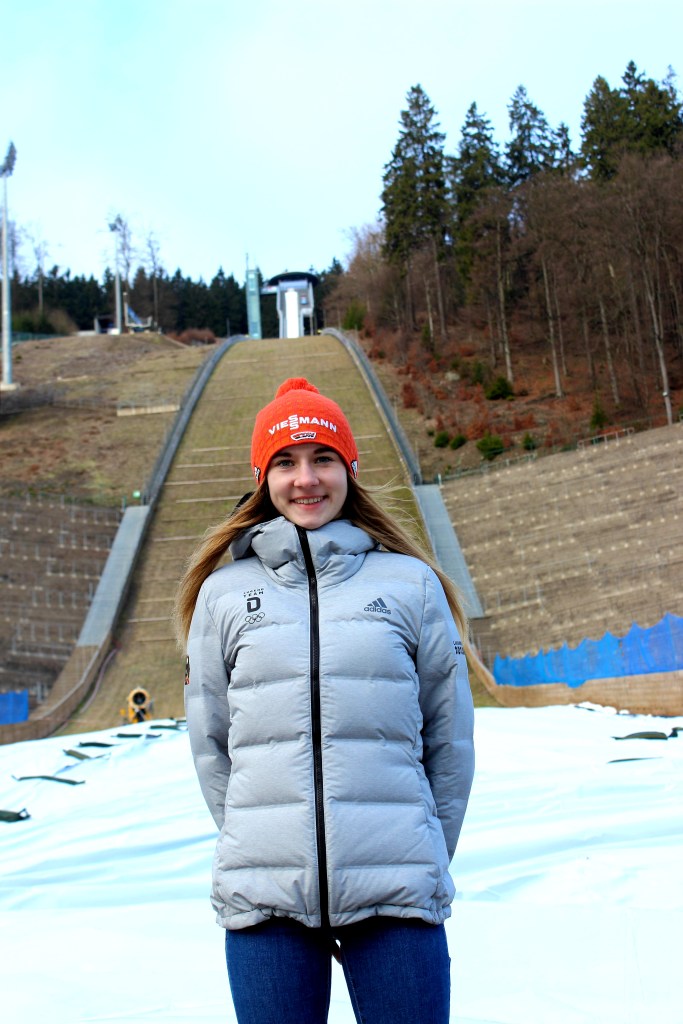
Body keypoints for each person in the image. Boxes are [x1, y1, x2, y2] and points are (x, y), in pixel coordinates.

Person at [175, 377, 476, 1024]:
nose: (305, 479)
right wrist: (257, 840)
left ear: (349, 468)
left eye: (322, 458)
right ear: (262, 477)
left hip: (394, 887)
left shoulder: (410, 585)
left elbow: (449, 741)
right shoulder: (224, 595)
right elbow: (211, 744)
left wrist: (420, 848)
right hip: (266, 894)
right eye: (284, 461)